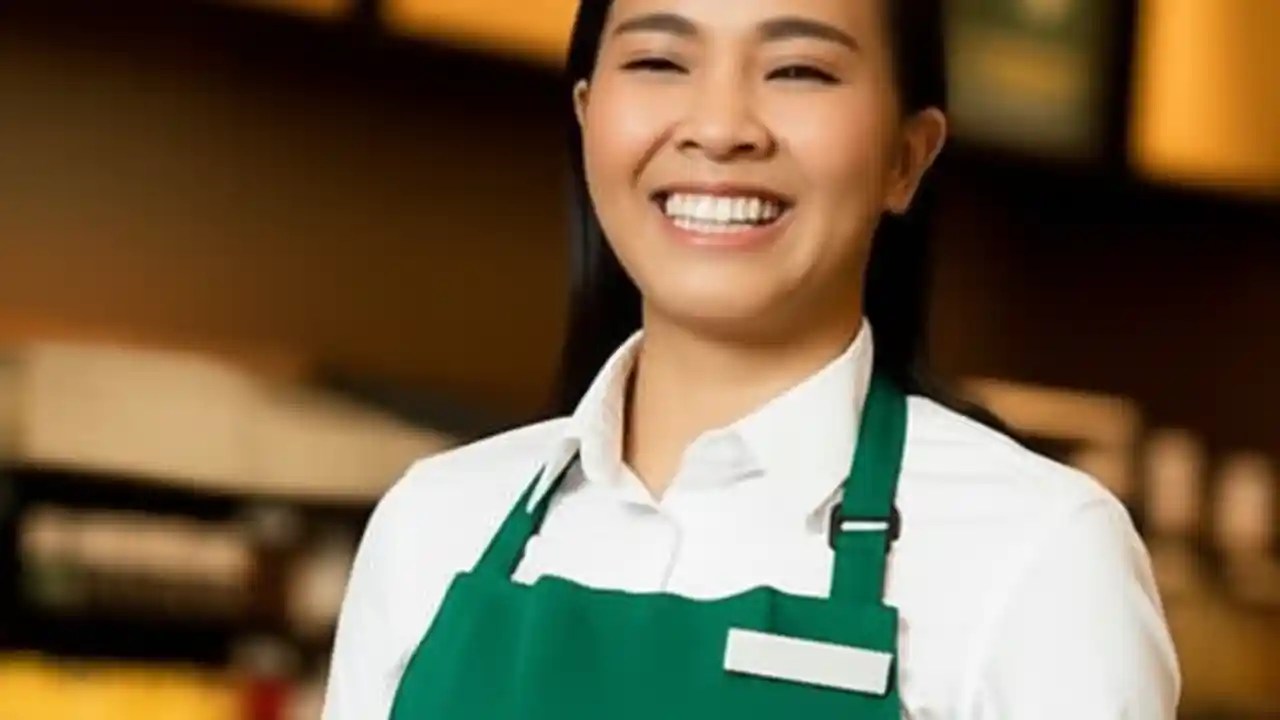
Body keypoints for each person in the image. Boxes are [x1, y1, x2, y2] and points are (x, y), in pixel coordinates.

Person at [322, 0, 1181, 717]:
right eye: (660, 60)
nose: (721, 127)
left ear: (906, 157)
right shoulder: (433, 527)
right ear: (587, 119)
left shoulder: (1037, 560)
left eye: (798, 69)